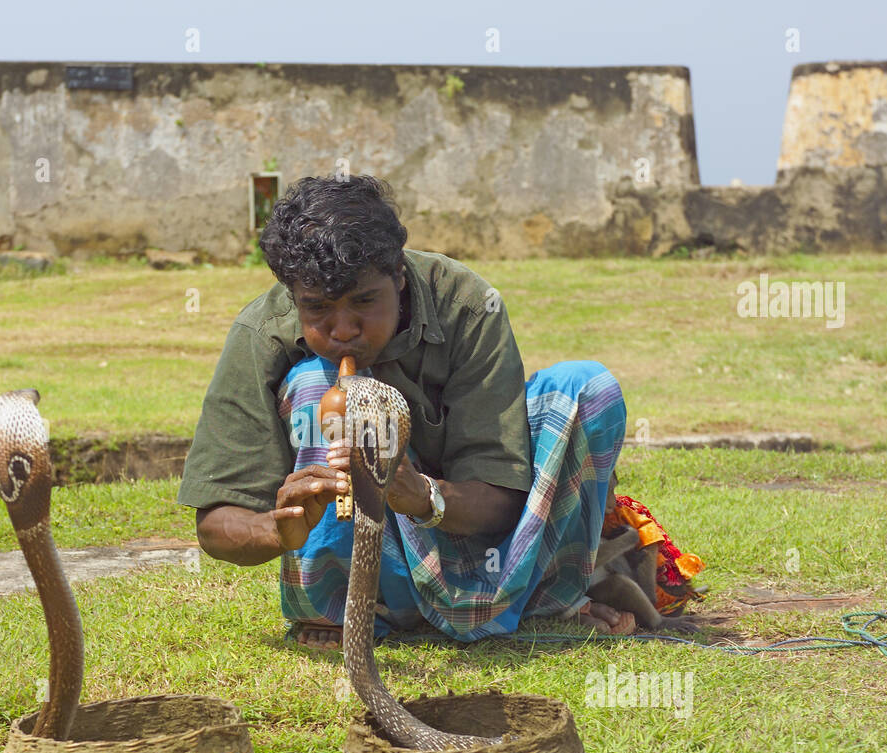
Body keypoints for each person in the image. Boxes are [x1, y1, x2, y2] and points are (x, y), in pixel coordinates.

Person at [178, 174, 634, 649]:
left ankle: (542, 596)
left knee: (587, 388)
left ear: (398, 275)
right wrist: (278, 530)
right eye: (317, 308)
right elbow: (215, 522)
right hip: (382, 571)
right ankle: (345, 610)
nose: (344, 330)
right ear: (294, 297)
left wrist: (422, 496)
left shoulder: (469, 305)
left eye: (365, 301)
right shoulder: (262, 334)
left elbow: (502, 495)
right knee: (318, 382)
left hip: (477, 537)